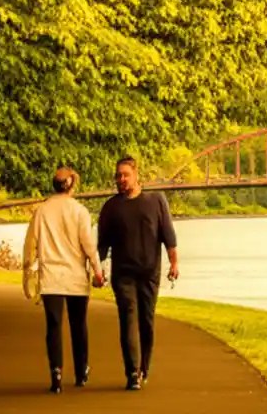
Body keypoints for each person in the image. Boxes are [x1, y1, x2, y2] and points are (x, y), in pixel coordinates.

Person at [97, 155, 179, 391]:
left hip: (149, 273)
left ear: (136, 176)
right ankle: (132, 372)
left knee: (147, 321)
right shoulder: (111, 207)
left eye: (125, 175)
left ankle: (144, 367)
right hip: (123, 275)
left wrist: (174, 263)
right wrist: (97, 269)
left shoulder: (156, 201)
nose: (121, 179)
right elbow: (102, 245)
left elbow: (168, 236)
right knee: (128, 319)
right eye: (118, 176)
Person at [22, 167, 106, 393]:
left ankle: (56, 373)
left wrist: (27, 272)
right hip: (76, 277)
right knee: (79, 325)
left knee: (54, 325)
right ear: (72, 185)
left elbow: (30, 244)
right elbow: (89, 245)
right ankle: (81, 372)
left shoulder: (41, 211)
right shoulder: (80, 211)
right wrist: (98, 271)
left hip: (51, 277)